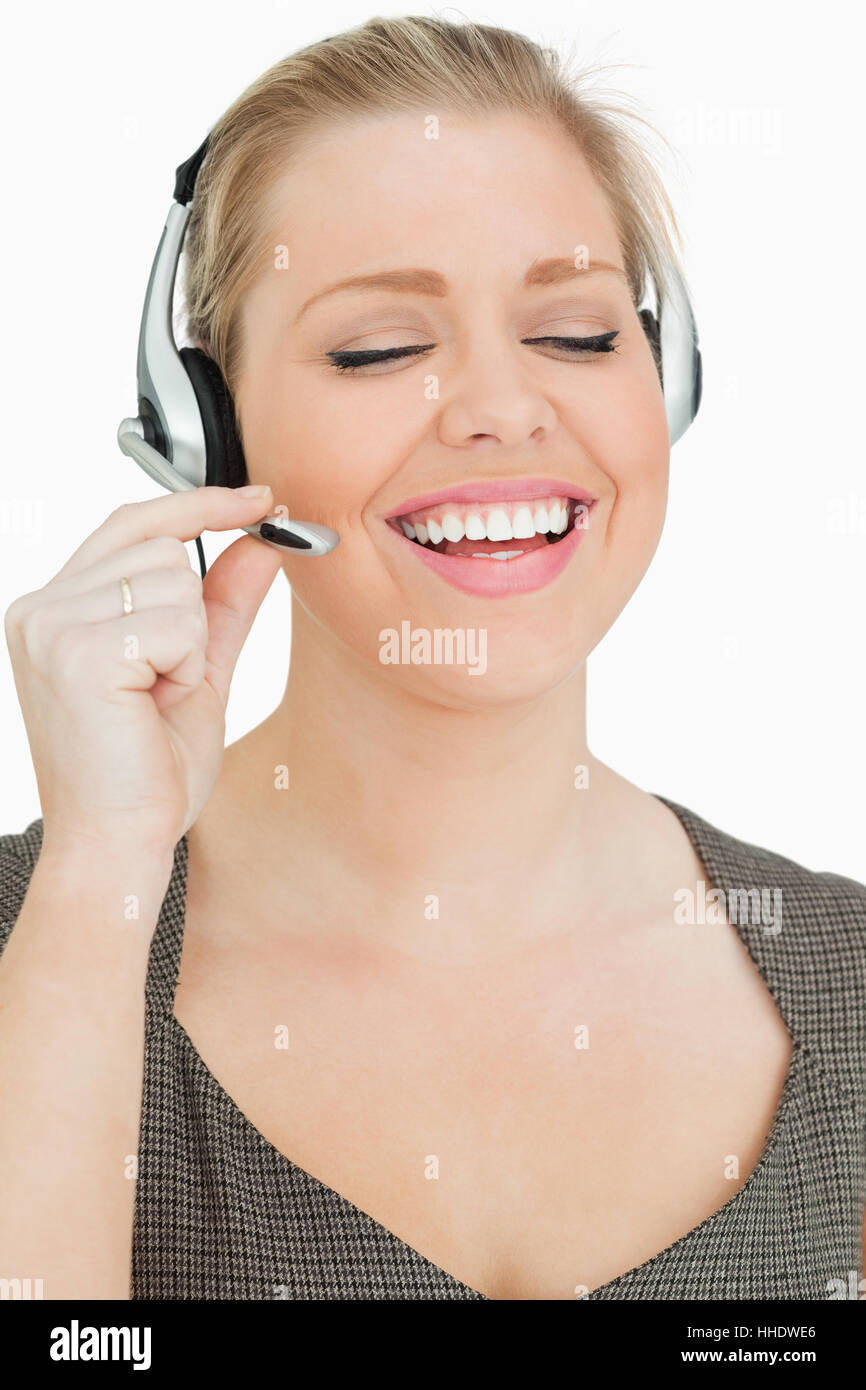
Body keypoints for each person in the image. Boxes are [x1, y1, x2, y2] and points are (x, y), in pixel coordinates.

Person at [1, 15, 864, 1302]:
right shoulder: (42, 932)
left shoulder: (841, 973)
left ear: (665, 380)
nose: (504, 407)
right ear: (207, 430)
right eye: (379, 348)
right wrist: (93, 893)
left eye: (575, 333)